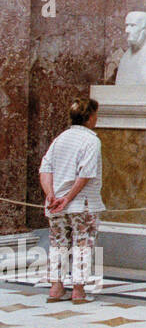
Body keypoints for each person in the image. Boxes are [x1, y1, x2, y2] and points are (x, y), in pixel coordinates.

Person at [38, 97, 104, 304]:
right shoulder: (91, 140)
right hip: (82, 204)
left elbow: (45, 168)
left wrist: (51, 195)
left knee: (58, 244)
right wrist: (67, 198)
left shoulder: (60, 138)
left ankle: (56, 289)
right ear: (90, 117)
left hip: (56, 204)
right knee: (83, 244)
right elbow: (85, 174)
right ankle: (78, 290)